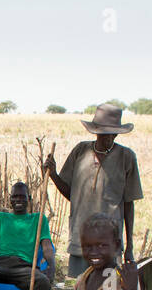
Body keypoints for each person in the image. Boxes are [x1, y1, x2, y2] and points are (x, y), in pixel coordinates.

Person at [43, 103, 143, 274]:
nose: (107, 137)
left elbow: (128, 204)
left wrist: (130, 246)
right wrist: (53, 175)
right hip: (81, 238)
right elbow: (71, 194)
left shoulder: (126, 157)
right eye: (103, 133)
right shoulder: (81, 151)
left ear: (117, 133)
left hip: (109, 241)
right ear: (95, 131)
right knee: (80, 288)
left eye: (111, 133)